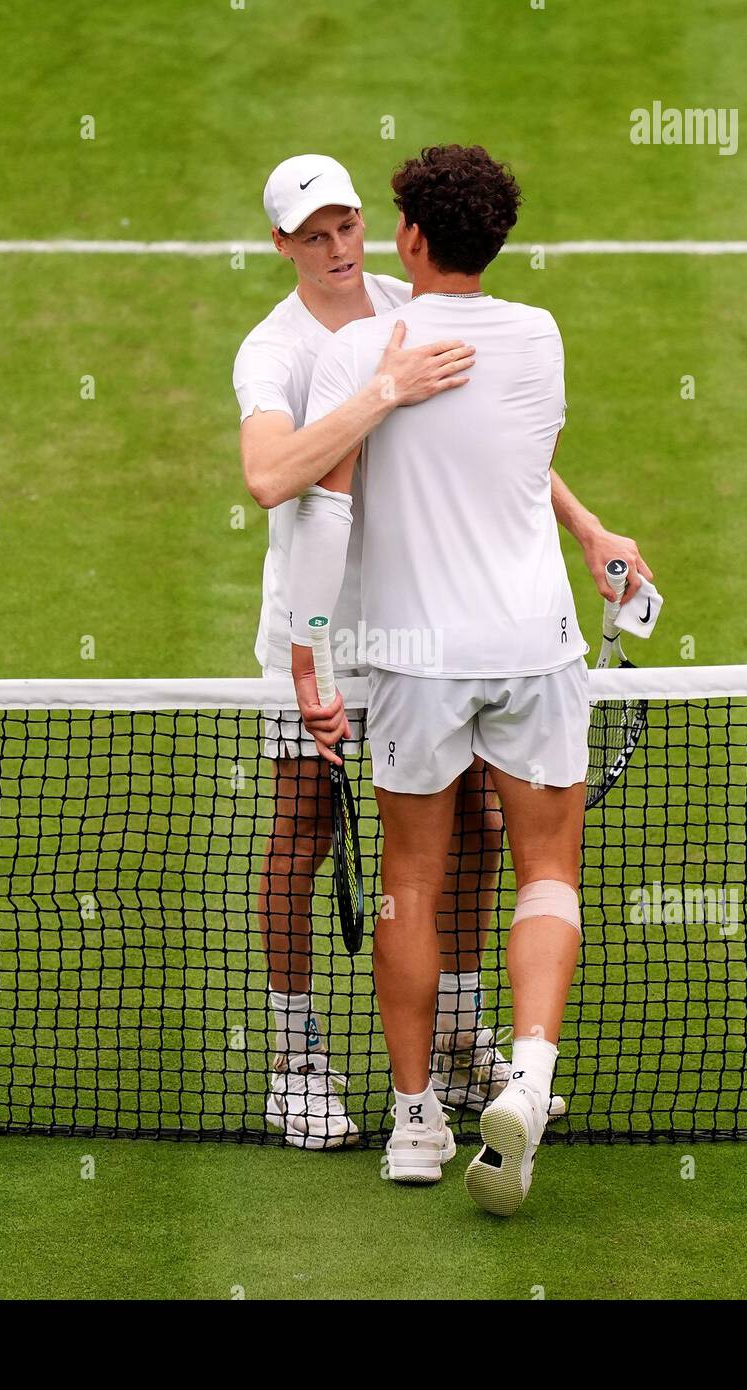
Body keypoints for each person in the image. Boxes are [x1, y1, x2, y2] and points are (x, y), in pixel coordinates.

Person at [288, 145, 651, 1212]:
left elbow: (325, 506)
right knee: (547, 870)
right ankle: (528, 1073)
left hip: (414, 660)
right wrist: (591, 535)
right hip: (536, 651)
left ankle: (413, 1122)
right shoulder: (540, 337)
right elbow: (517, 462)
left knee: (412, 877)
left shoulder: (362, 348)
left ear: (407, 239)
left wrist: (310, 656)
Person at [235, 153, 541, 1149]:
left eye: (346, 226)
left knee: (478, 832)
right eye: (312, 234)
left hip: (424, 626)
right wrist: (382, 387)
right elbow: (271, 477)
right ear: (280, 244)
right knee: (301, 837)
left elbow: (491, 433)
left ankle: (454, 1041)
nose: (335, 249)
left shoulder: (412, 304)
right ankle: (296, 1063)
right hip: (312, 640)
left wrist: (583, 527)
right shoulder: (270, 351)